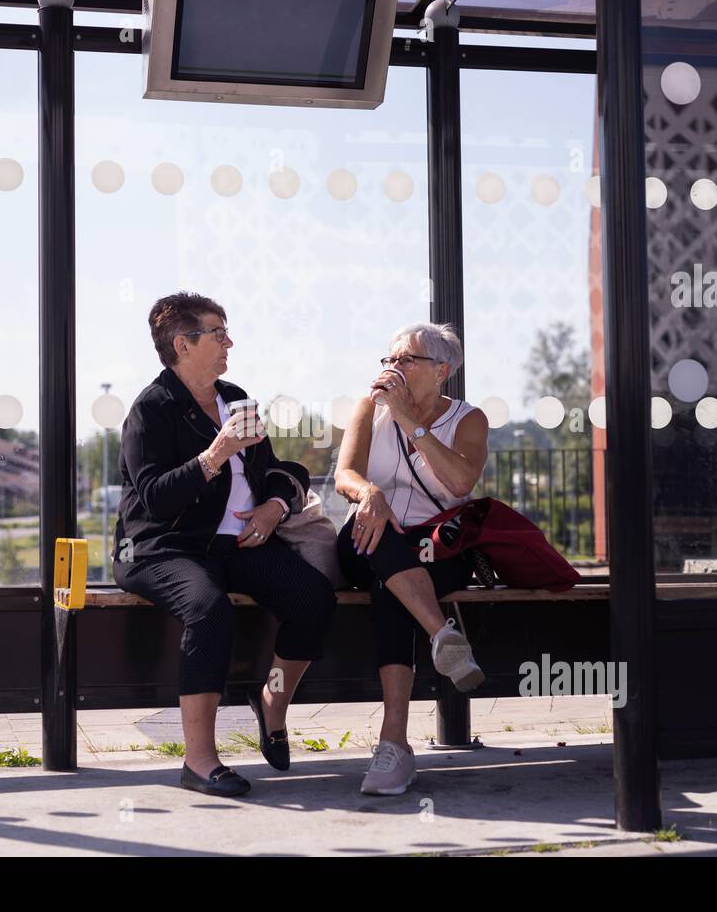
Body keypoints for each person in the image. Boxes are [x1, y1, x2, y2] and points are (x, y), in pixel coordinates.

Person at [113, 291, 336, 797]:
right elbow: (154, 500)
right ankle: (199, 762)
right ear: (182, 343)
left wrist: (274, 506)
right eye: (218, 333)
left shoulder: (235, 395)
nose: (228, 342)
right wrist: (214, 455)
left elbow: (280, 470)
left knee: (313, 597)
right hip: (163, 548)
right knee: (210, 610)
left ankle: (272, 703)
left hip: (238, 543)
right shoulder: (151, 409)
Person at [333, 321, 490, 796]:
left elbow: (460, 484)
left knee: (391, 587)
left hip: (437, 544)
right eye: (390, 359)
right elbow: (345, 474)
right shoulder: (367, 408)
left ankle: (394, 745)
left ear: (440, 370)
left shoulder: (469, 418)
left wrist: (410, 422)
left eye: (406, 360)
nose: (392, 368)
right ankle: (443, 634)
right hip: (368, 533)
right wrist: (371, 494)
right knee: (379, 543)